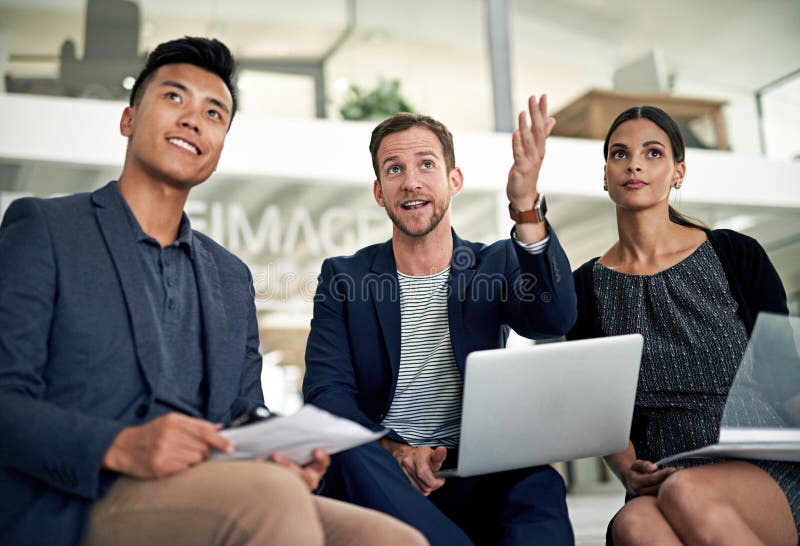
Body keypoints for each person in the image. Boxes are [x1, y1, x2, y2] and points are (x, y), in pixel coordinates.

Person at [0, 36, 427, 546]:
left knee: (391, 539)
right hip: (83, 496)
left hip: (213, 484)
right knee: (269, 500)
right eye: (173, 98)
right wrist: (118, 446)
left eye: (214, 112)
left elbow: (245, 415)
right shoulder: (45, 229)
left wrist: (279, 454)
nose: (192, 119)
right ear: (128, 119)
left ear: (219, 149)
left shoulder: (230, 276)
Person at [302, 96, 578, 546]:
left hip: (471, 466)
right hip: (381, 471)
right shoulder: (345, 277)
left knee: (540, 482)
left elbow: (553, 318)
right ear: (379, 192)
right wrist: (394, 450)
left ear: (454, 180)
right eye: (394, 170)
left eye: (426, 165)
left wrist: (526, 205)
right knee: (347, 448)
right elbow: (325, 392)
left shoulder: (495, 263)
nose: (411, 182)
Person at [566, 105, 800, 545]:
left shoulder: (736, 254)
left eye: (652, 153)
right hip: (662, 471)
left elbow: (785, 377)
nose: (634, 163)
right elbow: (600, 411)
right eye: (620, 153)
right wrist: (627, 472)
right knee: (635, 525)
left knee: (685, 491)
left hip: (761, 469)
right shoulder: (584, 288)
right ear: (605, 175)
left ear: (678, 172)